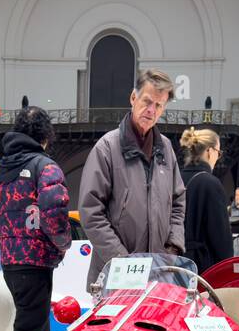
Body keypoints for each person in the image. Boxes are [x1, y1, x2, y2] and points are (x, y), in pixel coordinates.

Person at [79, 67, 186, 291]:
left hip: (158, 274)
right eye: (147, 101)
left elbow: (177, 202)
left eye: (158, 105)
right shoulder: (107, 147)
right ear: (133, 97)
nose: (151, 110)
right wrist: (123, 261)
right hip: (114, 274)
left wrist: (172, 248)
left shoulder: (166, 148)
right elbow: (91, 212)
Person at [0, 105, 70, 331]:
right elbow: (54, 209)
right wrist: (62, 245)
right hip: (36, 264)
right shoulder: (45, 166)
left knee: (37, 328)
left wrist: (9, 244)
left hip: (10, 264)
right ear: (45, 136)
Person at [178, 127, 232, 274]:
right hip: (200, 269)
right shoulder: (211, 184)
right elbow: (221, 239)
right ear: (209, 151)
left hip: (172, 262)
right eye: (218, 152)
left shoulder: (174, 179)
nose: (218, 157)